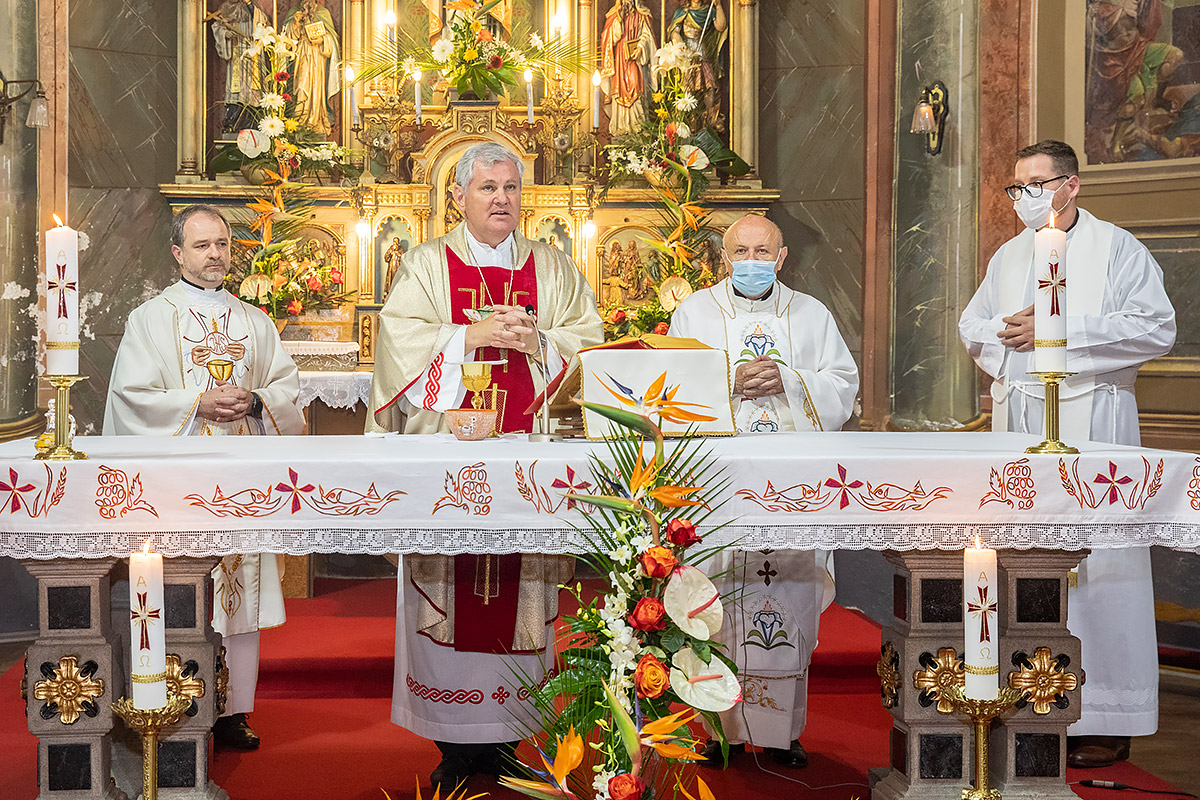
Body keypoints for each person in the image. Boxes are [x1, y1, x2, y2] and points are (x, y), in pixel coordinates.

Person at [367, 142, 603, 792]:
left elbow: (591, 342)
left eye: (510, 188)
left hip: (528, 466)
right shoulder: (424, 264)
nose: (501, 198)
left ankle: (505, 741)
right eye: (487, 188)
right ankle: (452, 743)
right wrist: (466, 337)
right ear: (459, 196)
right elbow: (397, 345)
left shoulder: (551, 267)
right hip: (451, 465)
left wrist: (541, 342)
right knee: (447, 589)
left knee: (522, 600)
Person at [958, 139, 1176, 768]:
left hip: (1094, 424)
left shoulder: (1118, 248)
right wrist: (1010, 339)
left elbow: (1155, 326)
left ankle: (1107, 711)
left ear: (1072, 185)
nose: (1024, 198)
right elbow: (974, 325)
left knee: (1101, 560)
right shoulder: (1008, 255)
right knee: (1023, 556)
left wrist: (1060, 332)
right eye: (1016, 187)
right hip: (1024, 419)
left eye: (1036, 184)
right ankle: (1026, 696)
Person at [104, 204, 305, 751]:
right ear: (177, 253)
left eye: (222, 244)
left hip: (240, 482)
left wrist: (257, 401)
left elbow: (288, 392)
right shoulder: (150, 320)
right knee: (184, 590)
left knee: (238, 597)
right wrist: (197, 402)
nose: (215, 254)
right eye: (202, 245)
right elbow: (130, 400)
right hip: (180, 482)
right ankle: (176, 695)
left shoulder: (255, 321)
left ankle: (235, 709)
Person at [668, 214, 859, 768]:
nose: (752, 260)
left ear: (781, 258)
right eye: (740, 251)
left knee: (787, 598)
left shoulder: (812, 314)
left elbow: (843, 384)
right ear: (724, 258)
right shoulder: (694, 312)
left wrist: (792, 380)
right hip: (717, 483)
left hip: (791, 482)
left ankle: (781, 733)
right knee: (713, 602)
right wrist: (727, 383)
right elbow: (670, 386)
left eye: (763, 251)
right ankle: (713, 729)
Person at [599, 0, 657, 136]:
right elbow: (609, 39)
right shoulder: (614, 15)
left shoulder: (642, 15)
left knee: (637, 86)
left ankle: (639, 127)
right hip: (619, 59)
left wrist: (641, 47)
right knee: (619, 91)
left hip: (635, 59)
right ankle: (621, 126)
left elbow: (647, 36)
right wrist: (618, 21)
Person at [282, 0, 340, 136]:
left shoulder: (323, 13)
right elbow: (286, 39)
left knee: (315, 88)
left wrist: (323, 40)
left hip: (317, 56)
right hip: (300, 55)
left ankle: (314, 120)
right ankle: (298, 120)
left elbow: (333, 39)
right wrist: (295, 24)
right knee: (300, 86)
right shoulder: (293, 13)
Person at [210, 0, 269, 132]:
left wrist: (249, 5)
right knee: (236, 89)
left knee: (253, 88)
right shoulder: (227, 8)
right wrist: (225, 34)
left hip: (253, 51)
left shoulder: (254, 10)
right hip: (236, 51)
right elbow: (218, 26)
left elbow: (262, 23)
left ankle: (253, 123)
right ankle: (233, 122)